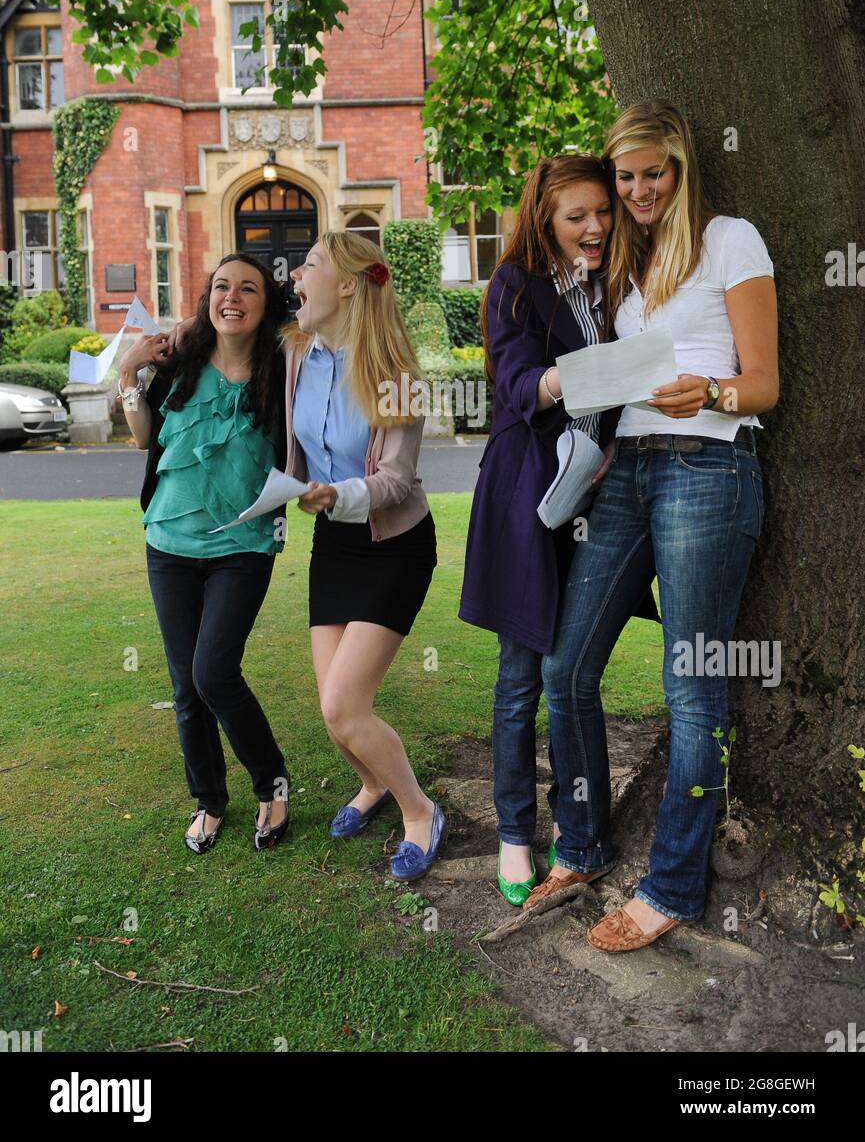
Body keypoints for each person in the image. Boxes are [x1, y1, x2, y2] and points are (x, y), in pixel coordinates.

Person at [529, 100, 778, 951]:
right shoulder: (623, 261)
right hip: (625, 471)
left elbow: (765, 385)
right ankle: (587, 842)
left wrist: (707, 393)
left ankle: (671, 885)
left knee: (690, 684)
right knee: (564, 670)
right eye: (625, 176)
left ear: (681, 168)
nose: (636, 190)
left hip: (708, 466)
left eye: (652, 174)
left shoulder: (729, 239)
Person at [459, 153, 657, 906]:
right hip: (527, 498)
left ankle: (581, 828)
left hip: (600, 499)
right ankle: (514, 835)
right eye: (576, 216)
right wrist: (589, 376)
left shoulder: (623, 283)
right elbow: (515, 386)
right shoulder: (514, 283)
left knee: (568, 672)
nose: (596, 226)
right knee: (518, 679)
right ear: (544, 218)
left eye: (602, 212)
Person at [119, 253, 291, 855]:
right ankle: (209, 800)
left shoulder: (283, 369)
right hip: (168, 541)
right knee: (185, 682)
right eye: (221, 286)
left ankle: (272, 780)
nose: (232, 297)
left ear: (266, 304)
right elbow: (145, 438)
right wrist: (127, 376)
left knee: (212, 670)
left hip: (244, 545)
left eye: (248, 288)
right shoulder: (182, 364)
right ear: (207, 298)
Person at [288, 232, 444, 881]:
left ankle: (419, 811)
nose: (296, 274)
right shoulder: (298, 356)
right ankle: (371, 785)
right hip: (334, 544)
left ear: (347, 285)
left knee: (343, 707)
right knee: (333, 708)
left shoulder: (397, 375)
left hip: (394, 547)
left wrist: (338, 492)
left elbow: (399, 481)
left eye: (311, 265)